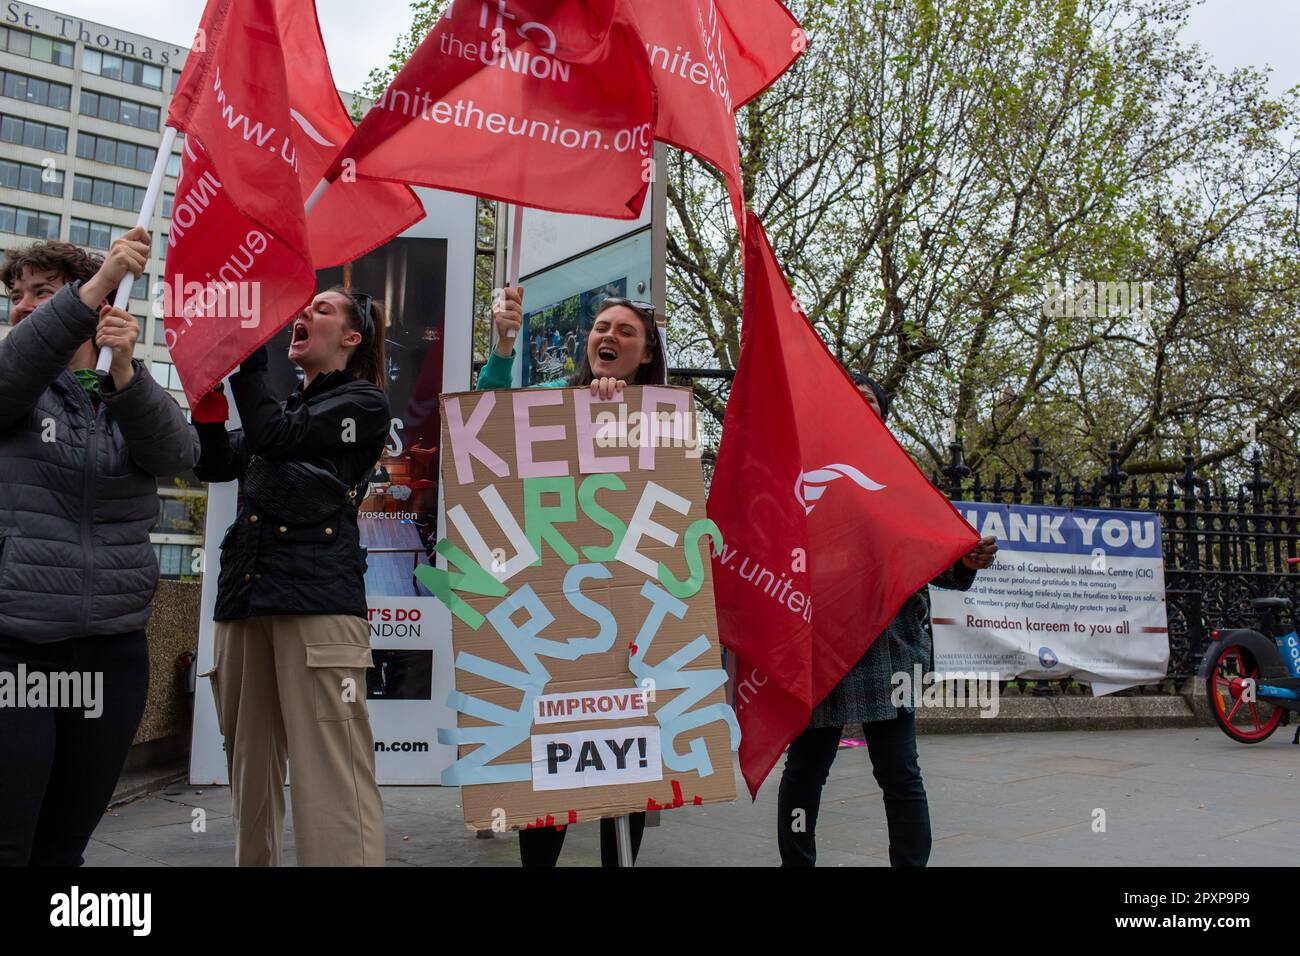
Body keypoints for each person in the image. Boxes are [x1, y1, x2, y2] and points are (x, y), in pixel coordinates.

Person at [0, 228, 199, 866]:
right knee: (11, 841)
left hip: (111, 653)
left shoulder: (124, 393)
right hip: (16, 649)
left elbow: (179, 456)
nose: (23, 306)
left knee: (65, 846)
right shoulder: (16, 387)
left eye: (41, 292)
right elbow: (20, 364)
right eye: (16, 295)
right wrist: (89, 289)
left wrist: (125, 373)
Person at [191, 288, 391, 866]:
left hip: (318, 607)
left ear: (352, 339)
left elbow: (273, 437)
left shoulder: (363, 404)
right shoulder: (285, 412)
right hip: (246, 601)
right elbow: (215, 462)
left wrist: (247, 353)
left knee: (333, 773)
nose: (301, 314)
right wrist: (207, 406)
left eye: (321, 309)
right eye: (300, 306)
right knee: (249, 771)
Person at [775, 372, 998, 867]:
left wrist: (964, 560)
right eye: (849, 399)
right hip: (822, 642)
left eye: (870, 401)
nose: (860, 407)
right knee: (806, 771)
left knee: (899, 773)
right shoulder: (801, 470)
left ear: (882, 415)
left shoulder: (903, 479)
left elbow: (931, 556)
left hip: (888, 646)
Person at [479, 285, 666, 866]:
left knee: (628, 761)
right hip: (554, 616)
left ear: (647, 355)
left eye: (625, 331)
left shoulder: (663, 420)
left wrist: (623, 411)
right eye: (600, 327)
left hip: (635, 621)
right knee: (551, 766)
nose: (607, 335)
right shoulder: (549, 404)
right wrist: (503, 347)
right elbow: (484, 427)